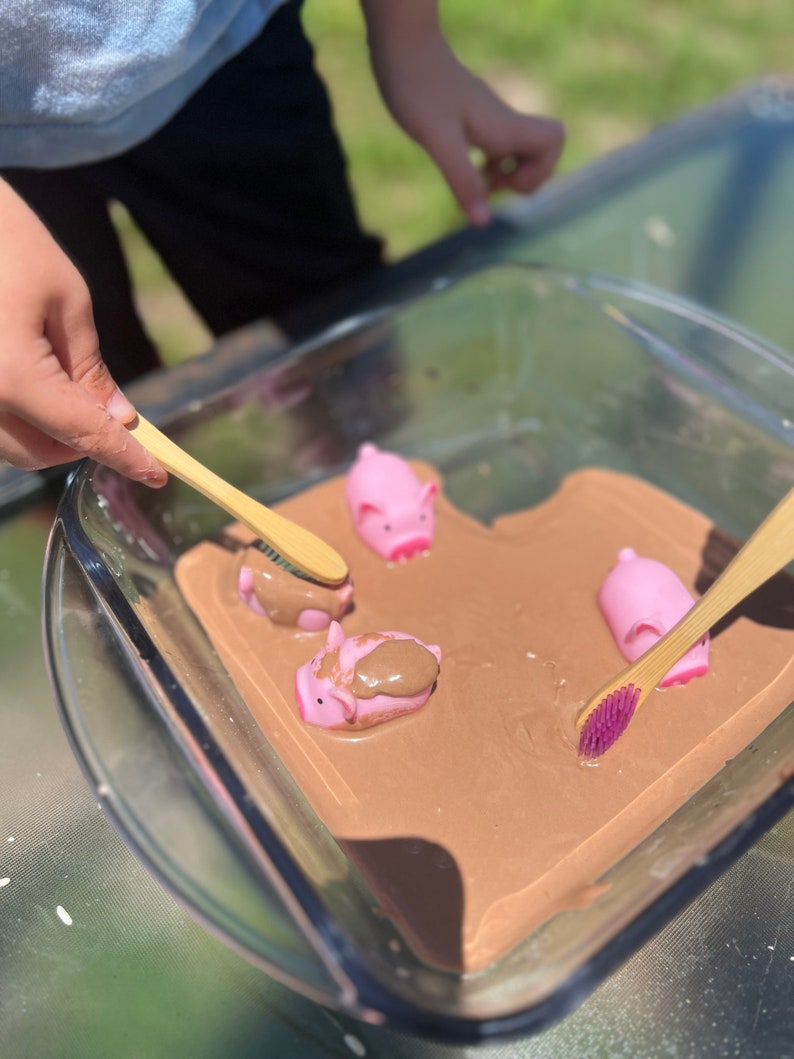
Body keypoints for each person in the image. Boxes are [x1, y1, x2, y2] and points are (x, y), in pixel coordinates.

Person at [0, 0, 564, 489]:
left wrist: (412, 39)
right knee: (69, 404)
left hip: (225, 57)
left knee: (332, 341)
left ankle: (365, 474)